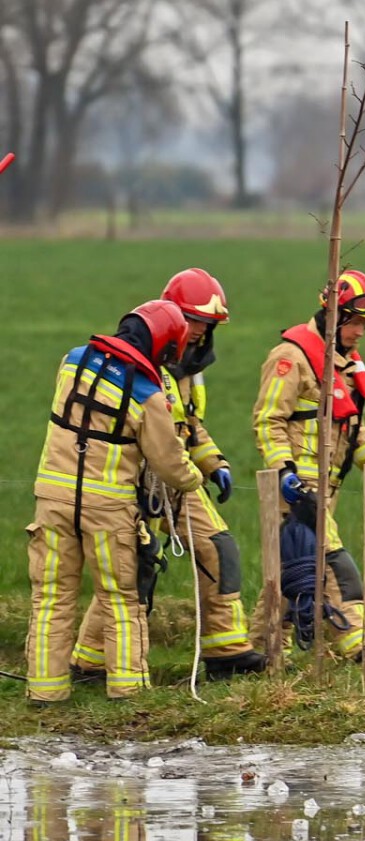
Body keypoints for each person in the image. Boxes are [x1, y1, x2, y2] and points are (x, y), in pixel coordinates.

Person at [73, 269, 266, 682]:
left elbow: (190, 425)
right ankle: (90, 662)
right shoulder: (140, 363)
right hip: (139, 480)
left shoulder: (191, 370)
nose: (199, 332)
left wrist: (214, 462)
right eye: (194, 321)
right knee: (134, 570)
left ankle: (226, 651)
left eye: (207, 325)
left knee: (218, 549)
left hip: (176, 478)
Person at [25, 300, 204, 702]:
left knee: (51, 597)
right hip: (108, 510)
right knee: (120, 599)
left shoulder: (71, 361)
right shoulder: (147, 392)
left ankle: (45, 692)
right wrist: (193, 479)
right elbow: (168, 462)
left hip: (51, 499)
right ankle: (128, 690)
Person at [251, 269, 365, 664]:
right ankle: (361, 642)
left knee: (292, 573)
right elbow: (268, 421)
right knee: (332, 561)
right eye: (354, 323)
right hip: (298, 488)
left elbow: (355, 427)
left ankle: (259, 651)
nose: (360, 333)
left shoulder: (345, 364)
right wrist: (284, 473)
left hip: (329, 486)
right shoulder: (290, 359)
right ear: (331, 315)